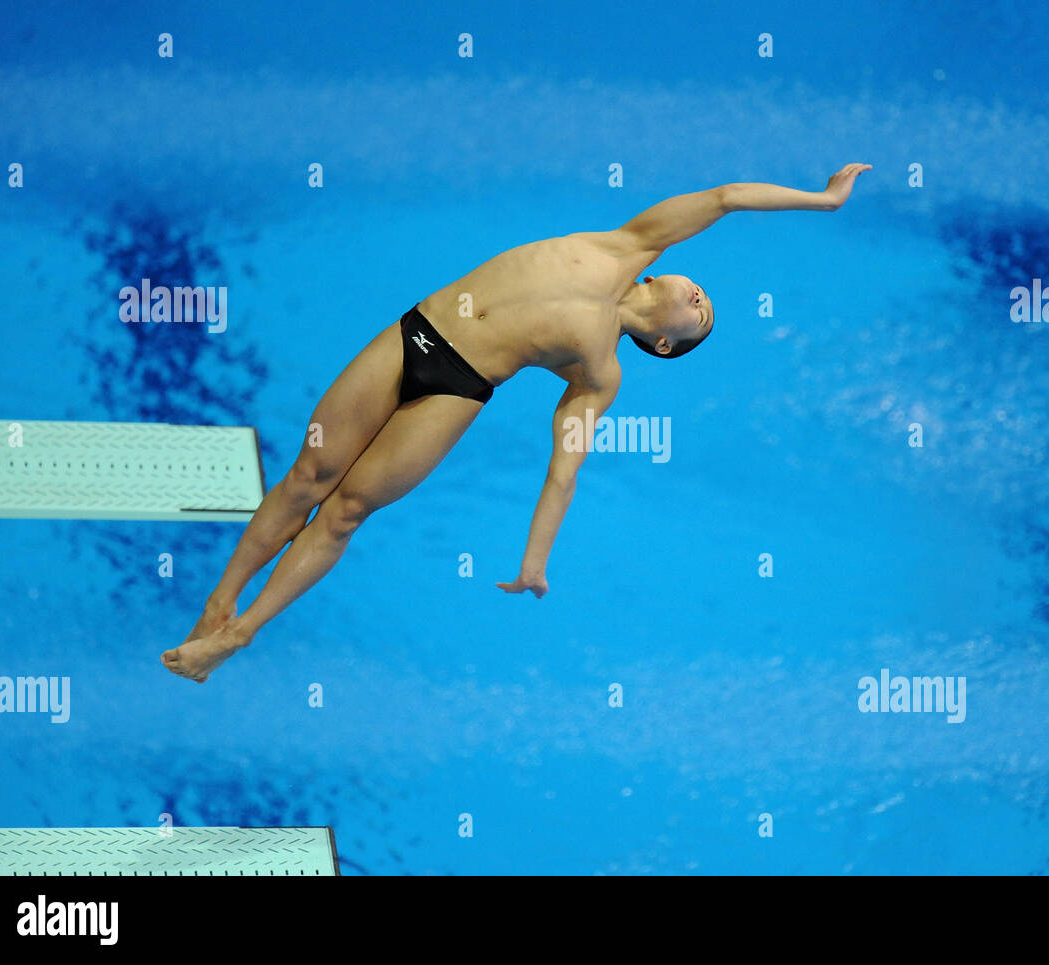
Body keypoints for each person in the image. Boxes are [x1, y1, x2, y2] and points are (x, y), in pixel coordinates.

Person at [162, 164, 872, 682]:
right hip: (417, 334)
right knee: (306, 479)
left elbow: (564, 468)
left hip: (460, 389)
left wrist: (535, 561)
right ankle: (218, 603)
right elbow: (726, 197)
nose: (699, 293)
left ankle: (241, 635)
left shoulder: (599, 374)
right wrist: (824, 199)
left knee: (345, 511)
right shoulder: (630, 245)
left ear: (666, 342)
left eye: (703, 313)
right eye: (702, 291)